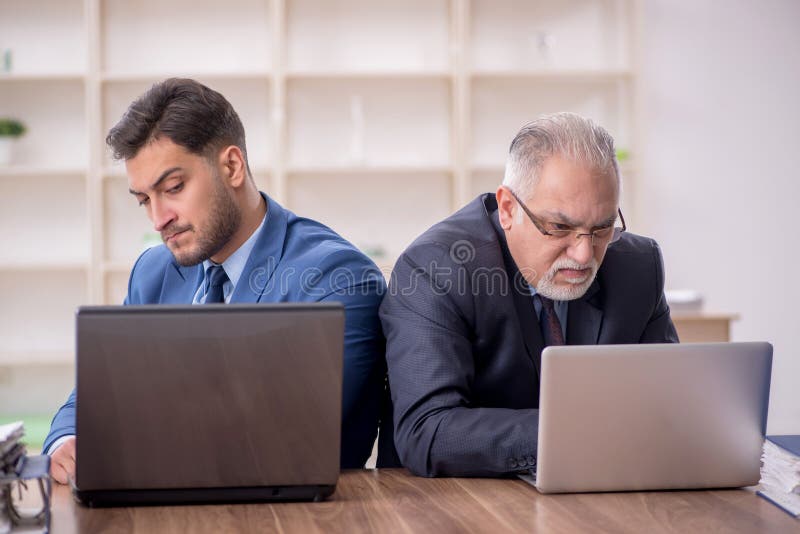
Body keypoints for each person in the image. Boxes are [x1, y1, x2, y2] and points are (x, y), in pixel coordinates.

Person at [44, 78, 395, 484]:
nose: (158, 219)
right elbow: (99, 392)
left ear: (232, 166)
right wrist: (67, 439)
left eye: (173, 188)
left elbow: (282, 433)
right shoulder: (154, 272)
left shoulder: (338, 279)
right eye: (144, 200)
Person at [380, 112, 679, 477]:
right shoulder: (435, 268)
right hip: (455, 504)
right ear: (508, 208)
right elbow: (427, 431)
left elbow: (666, 405)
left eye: (602, 229)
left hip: (604, 489)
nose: (584, 254)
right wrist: (577, 432)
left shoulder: (638, 267)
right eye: (559, 227)